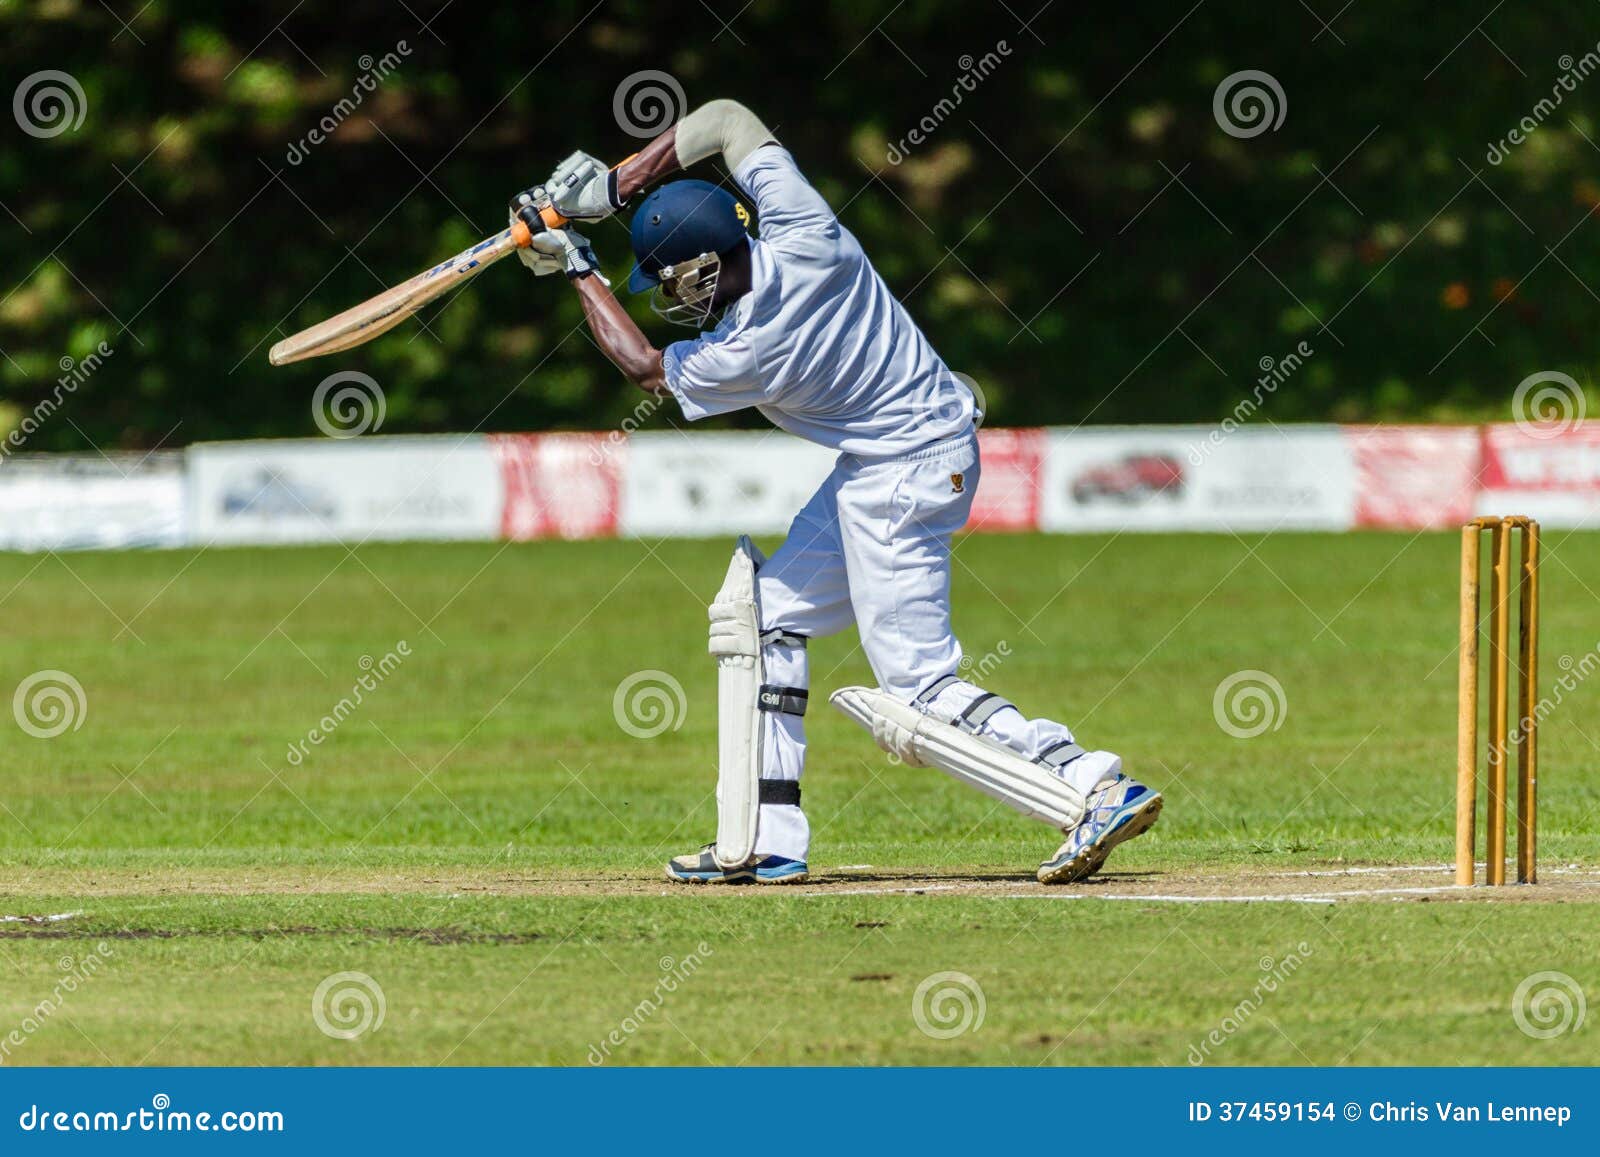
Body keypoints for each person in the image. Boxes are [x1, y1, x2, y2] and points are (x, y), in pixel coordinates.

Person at [510, 99, 1161, 886]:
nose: (671, 294)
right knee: (767, 618)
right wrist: (613, 190)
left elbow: (646, 367)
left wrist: (576, 263)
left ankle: (1091, 782)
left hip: (901, 474)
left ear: (710, 266)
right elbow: (723, 120)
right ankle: (762, 834)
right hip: (901, 456)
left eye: (674, 278)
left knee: (917, 689)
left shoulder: (749, 347)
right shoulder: (800, 225)